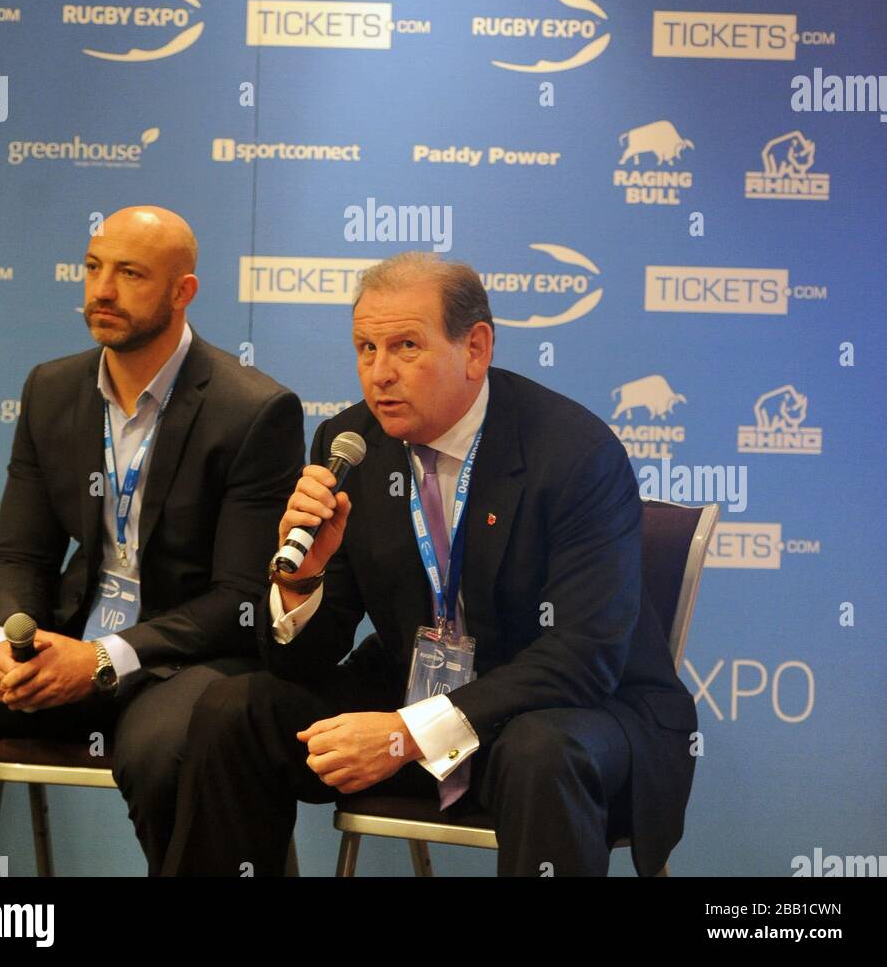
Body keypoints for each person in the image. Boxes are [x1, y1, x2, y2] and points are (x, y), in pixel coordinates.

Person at [162, 252, 698, 878]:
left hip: (569, 714)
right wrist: (303, 579)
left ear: (475, 348)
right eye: (365, 348)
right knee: (236, 711)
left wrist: (403, 735)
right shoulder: (350, 446)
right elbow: (300, 663)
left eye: (405, 346)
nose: (379, 374)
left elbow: (583, 657)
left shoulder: (573, 453)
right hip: (412, 698)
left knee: (541, 751)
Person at [0, 206, 304, 875]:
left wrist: (100, 658)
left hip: (182, 663)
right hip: (62, 643)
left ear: (183, 292)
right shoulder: (52, 389)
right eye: (92, 268)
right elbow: (18, 554)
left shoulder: (252, 410)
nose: (101, 290)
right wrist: (6, 643)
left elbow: (238, 600)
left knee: (165, 759)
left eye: (129, 273)